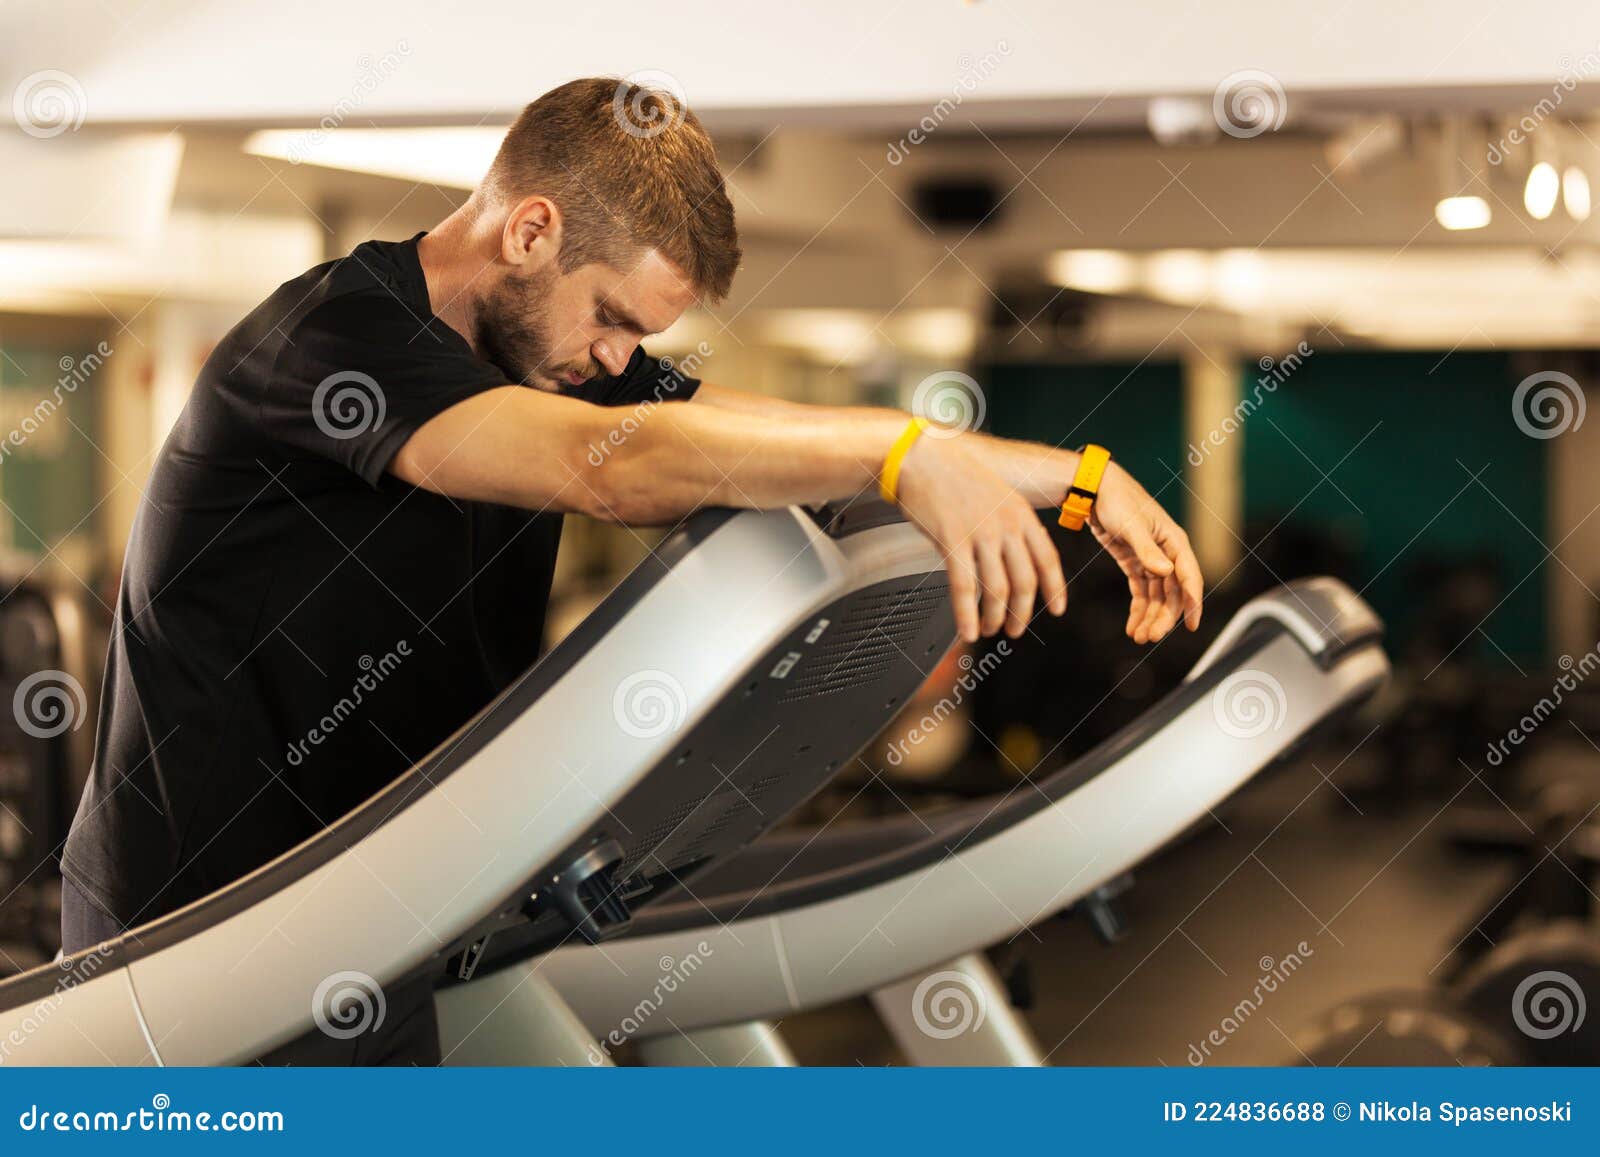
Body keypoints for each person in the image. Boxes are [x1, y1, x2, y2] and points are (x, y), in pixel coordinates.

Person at [60, 76, 1203, 1064]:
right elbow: (603, 470)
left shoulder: (564, 362)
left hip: (379, 912)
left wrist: (1067, 475)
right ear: (528, 230)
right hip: (196, 938)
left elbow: (748, 427)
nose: (619, 359)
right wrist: (902, 452)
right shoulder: (328, 340)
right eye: (611, 318)